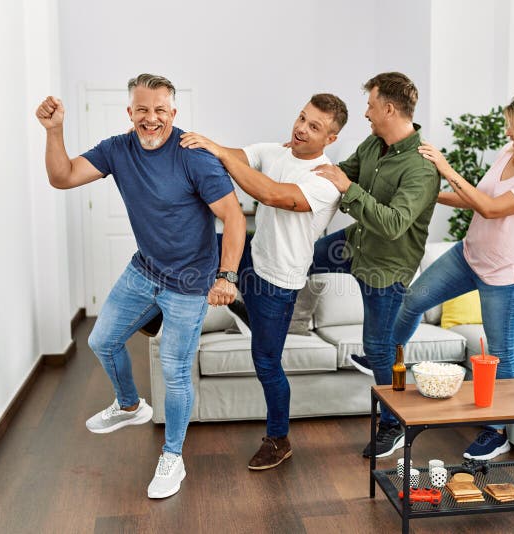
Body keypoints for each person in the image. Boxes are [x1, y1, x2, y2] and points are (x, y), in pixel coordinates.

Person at [35, 73, 246, 499]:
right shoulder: (118, 149)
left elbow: (234, 216)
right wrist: (55, 131)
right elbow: (62, 177)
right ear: (130, 112)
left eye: (160, 111)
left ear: (173, 113)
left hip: (189, 282)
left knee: (173, 370)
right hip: (144, 270)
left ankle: (173, 457)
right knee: (102, 340)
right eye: (143, 110)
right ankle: (130, 405)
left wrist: (226, 277)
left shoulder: (194, 156)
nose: (151, 119)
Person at [391, 91, 514, 460]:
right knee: (413, 300)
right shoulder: (509, 153)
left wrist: (445, 168)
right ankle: (383, 355)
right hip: (468, 255)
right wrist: (428, 194)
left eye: (513, 123)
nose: (507, 129)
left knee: (500, 353)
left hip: (505, 274)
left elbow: (492, 210)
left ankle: (496, 432)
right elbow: (477, 197)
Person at [179, 94, 348, 470]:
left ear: (330, 139)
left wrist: (220, 155)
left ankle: (278, 439)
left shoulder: (326, 181)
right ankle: (157, 311)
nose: (301, 128)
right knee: (200, 244)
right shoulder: (277, 152)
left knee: (266, 361)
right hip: (253, 258)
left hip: (280, 282)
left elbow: (270, 194)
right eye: (302, 118)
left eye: (314, 126)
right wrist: (208, 145)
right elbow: (238, 154)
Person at [310, 72, 439, 458]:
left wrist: (349, 191)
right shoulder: (374, 143)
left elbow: (394, 223)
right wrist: (303, 163)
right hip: (355, 245)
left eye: (370, 105)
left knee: (379, 348)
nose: (365, 112)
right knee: (297, 259)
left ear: (388, 108)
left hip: (387, 266)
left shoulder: (420, 168)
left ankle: (394, 425)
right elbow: (346, 170)